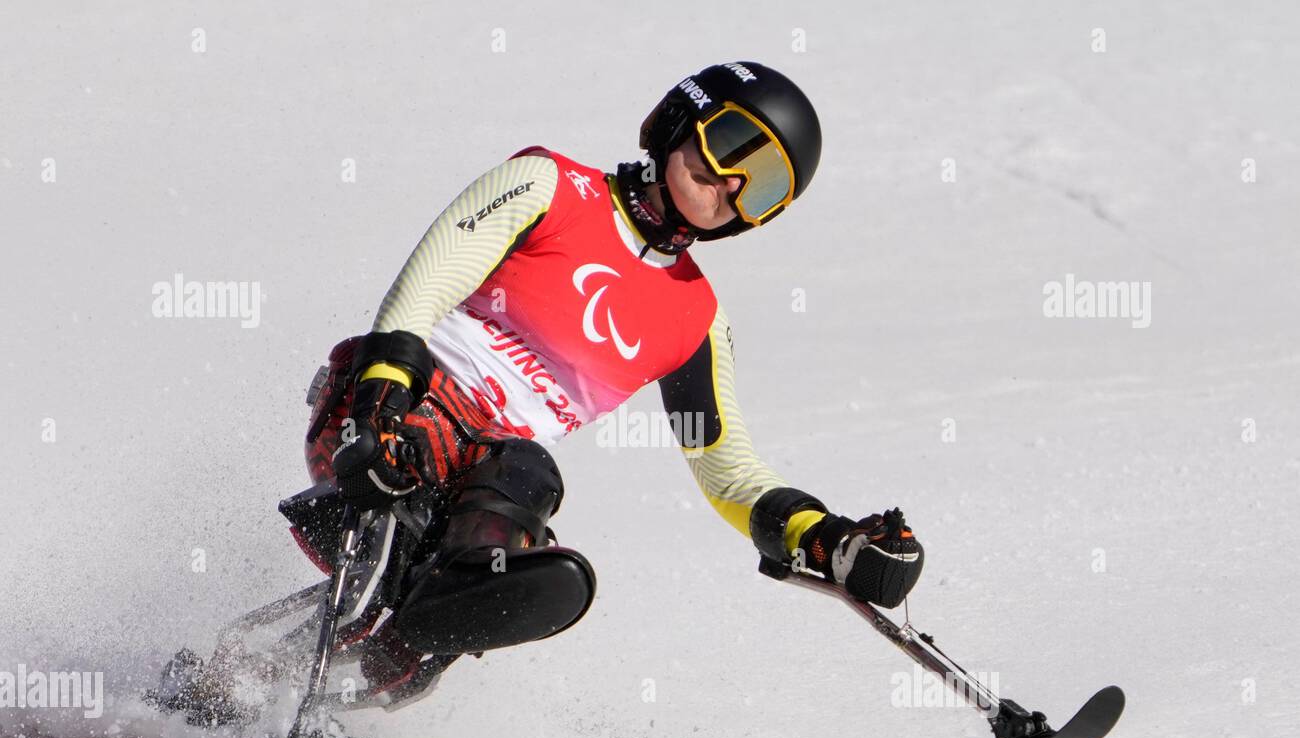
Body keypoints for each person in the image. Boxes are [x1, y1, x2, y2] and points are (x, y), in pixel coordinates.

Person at [305, 62, 924, 696]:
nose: (730, 180)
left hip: (481, 481)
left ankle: (333, 668)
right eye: (732, 143)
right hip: (387, 412)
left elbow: (727, 470)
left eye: (761, 186)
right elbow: (419, 292)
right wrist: (377, 414)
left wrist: (822, 539)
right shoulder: (549, 186)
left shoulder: (694, 319)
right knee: (486, 483)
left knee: (522, 479)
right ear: (682, 118)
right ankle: (439, 595)